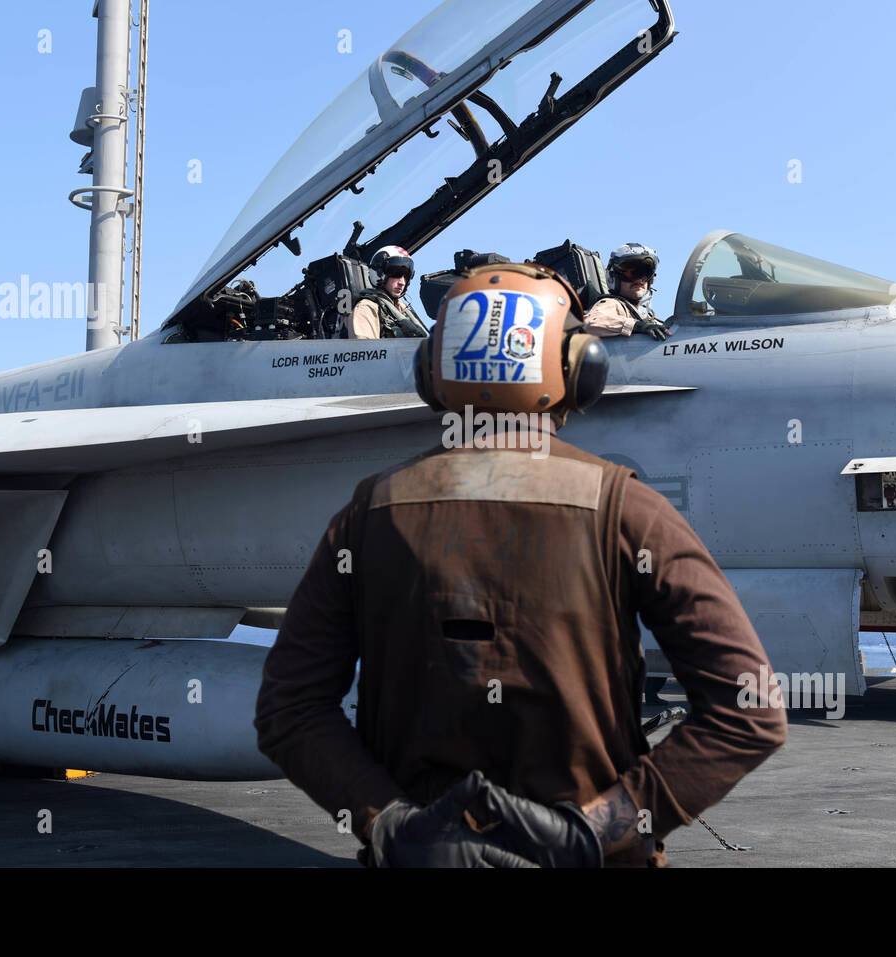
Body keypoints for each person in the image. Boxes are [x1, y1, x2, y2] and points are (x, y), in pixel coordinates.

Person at [255, 261, 786, 867]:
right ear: (579, 370)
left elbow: (289, 709)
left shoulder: (368, 513)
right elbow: (748, 709)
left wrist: (391, 825)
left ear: (432, 372)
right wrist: (595, 832)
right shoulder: (628, 510)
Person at [582, 242, 671, 341]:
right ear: (613, 277)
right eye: (631, 273)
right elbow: (590, 323)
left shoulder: (646, 318)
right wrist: (637, 326)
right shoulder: (613, 303)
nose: (639, 280)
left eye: (645, 273)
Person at [350, 245, 428, 339]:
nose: (402, 282)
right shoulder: (367, 308)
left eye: (406, 277)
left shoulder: (402, 311)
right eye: (397, 274)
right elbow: (364, 347)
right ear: (379, 273)